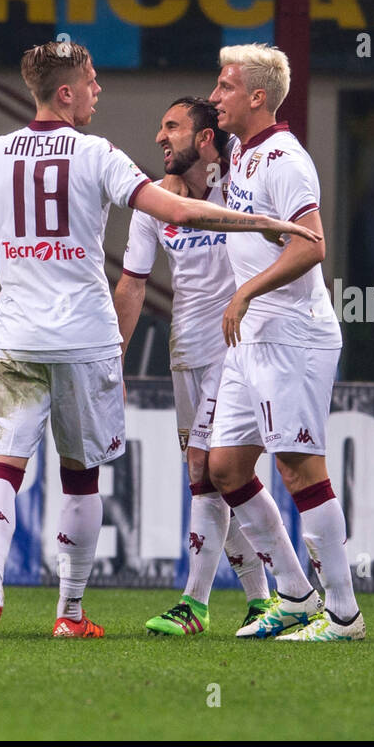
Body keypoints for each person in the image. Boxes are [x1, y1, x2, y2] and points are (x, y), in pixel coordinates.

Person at [0, 42, 313, 639]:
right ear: (66, 92)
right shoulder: (97, 154)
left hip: (16, 340)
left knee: (2, 469)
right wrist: (266, 222)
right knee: (81, 477)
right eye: (90, 81)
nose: (98, 90)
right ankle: (71, 614)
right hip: (84, 339)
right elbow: (179, 214)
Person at [202, 42, 364, 642]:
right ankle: (295, 594)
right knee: (226, 467)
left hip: (292, 335)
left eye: (224, 87)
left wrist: (246, 292)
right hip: (252, 338)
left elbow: (312, 243)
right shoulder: (243, 153)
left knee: (297, 467)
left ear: (257, 97)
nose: (215, 97)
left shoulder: (285, 159)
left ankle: (345, 615)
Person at [112, 96, 276, 635]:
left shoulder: (240, 191)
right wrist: (113, 359)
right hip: (185, 356)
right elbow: (133, 284)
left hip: (236, 353)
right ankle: (263, 599)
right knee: (209, 477)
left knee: (208, 471)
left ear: (205, 139)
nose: (160, 136)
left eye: (172, 127)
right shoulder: (153, 203)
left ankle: (194, 605)